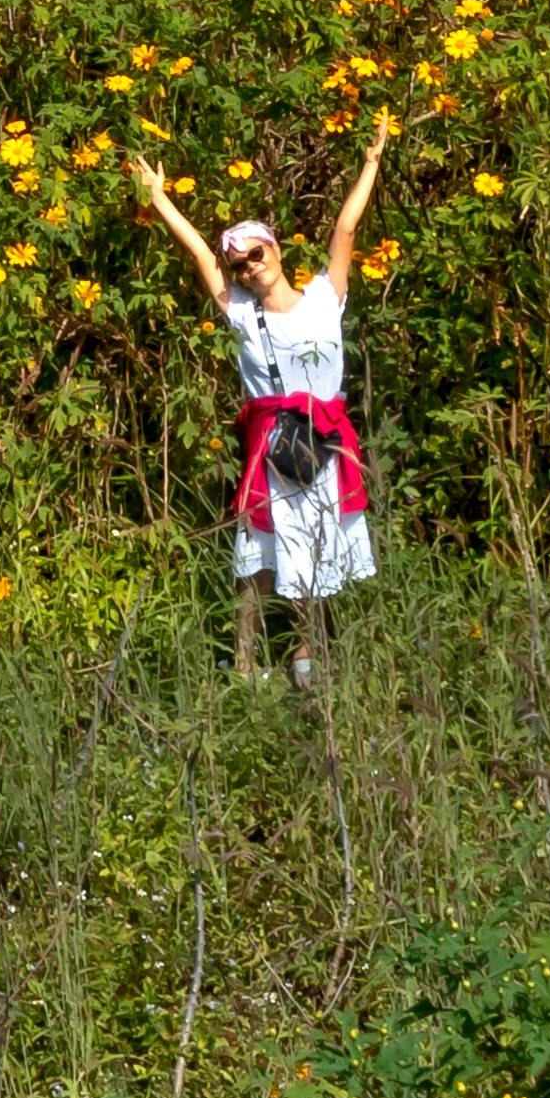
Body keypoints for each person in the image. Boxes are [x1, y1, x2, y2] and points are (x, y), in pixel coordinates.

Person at [130, 114, 397, 684]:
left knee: (316, 552)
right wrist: (159, 200)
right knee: (256, 556)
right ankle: (246, 665)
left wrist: (372, 164)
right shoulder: (243, 318)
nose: (251, 266)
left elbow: (345, 232)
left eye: (257, 253)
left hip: (323, 444)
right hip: (272, 449)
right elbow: (202, 256)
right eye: (242, 263)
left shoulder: (326, 298)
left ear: (275, 249)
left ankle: (304, 656)